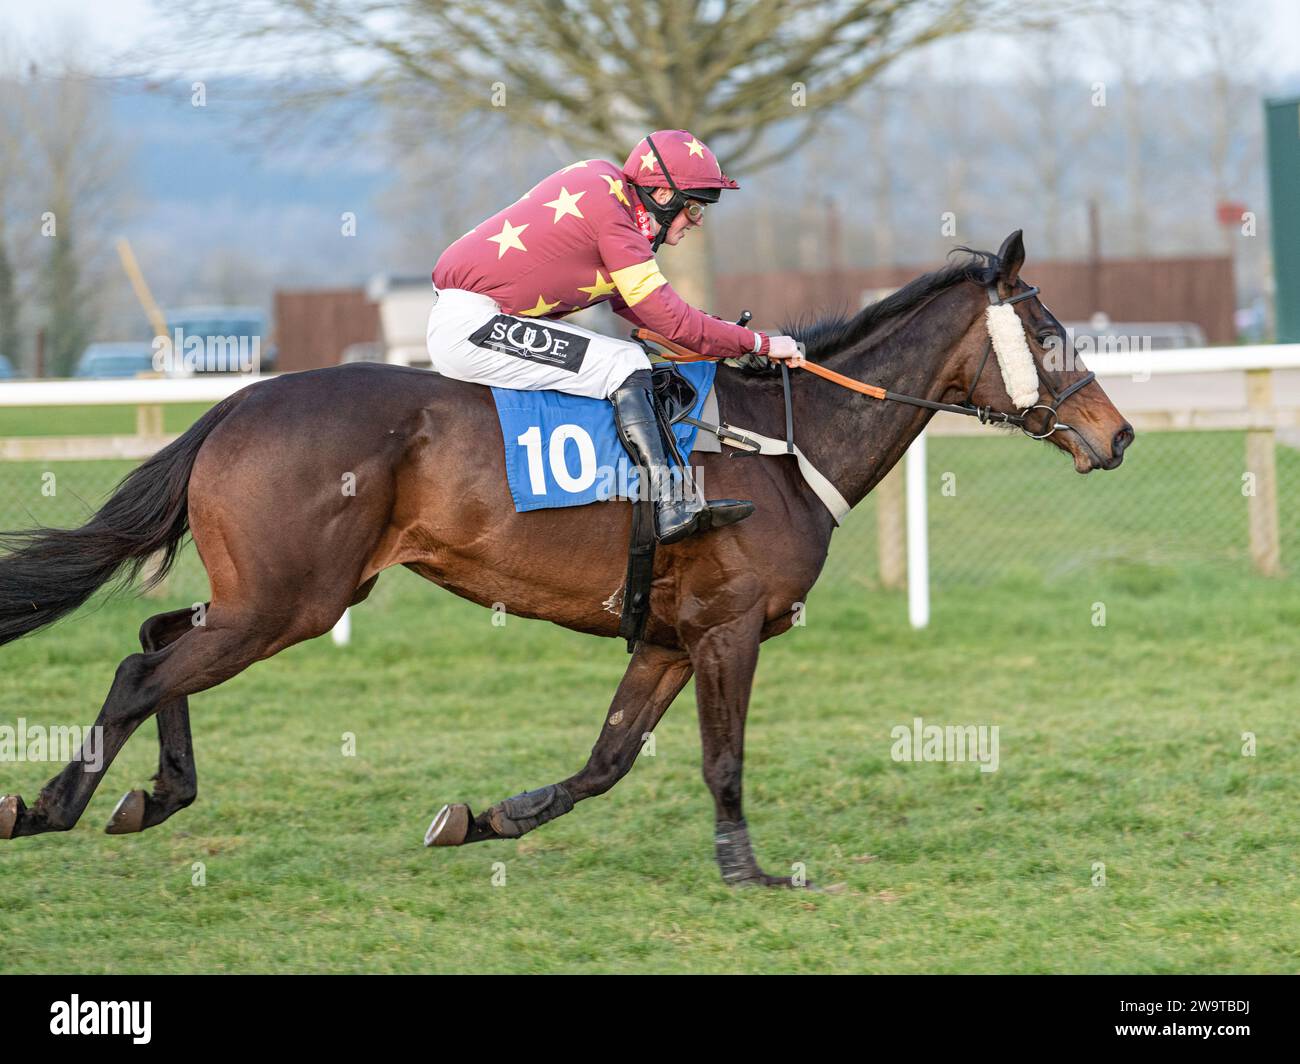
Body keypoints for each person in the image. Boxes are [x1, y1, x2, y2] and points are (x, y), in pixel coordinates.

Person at [427, 129, 802, 544]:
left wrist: (724, 334)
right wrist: (759, 344)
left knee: (624, 356)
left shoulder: (609, 193)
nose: (696, 223)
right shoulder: (614, 216)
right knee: (625, 362)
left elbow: (642, 309)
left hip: (477, 318)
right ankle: (669, 504)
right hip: (472, 326)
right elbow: (670, 319)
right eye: (694, 209)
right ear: (663, 196)